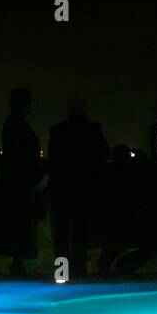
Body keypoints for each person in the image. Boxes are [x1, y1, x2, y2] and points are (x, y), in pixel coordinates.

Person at [48, 98, 109, 276]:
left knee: (61, 235)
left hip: (61, 189)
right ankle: (79, 270)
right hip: (84, 189)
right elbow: (104, 153)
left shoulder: (58, 131)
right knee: (80, 233)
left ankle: (62, 272)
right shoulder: (93, 130)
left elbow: (54, 160)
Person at [0, 88, 41, 277]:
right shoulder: (17, 124)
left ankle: (17, 262)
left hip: (15, 181)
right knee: (19, 223)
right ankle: (18, 263)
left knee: (17, 224)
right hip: (20, 183)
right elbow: (22, 154)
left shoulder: (12, 123)